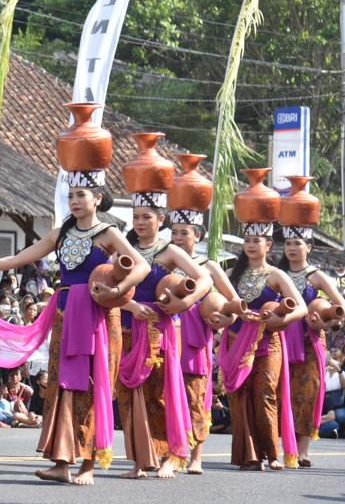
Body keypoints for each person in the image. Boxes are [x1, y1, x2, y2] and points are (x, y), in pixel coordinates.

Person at [0, 103, 150, 486]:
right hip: (64, 313)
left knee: (94, 384)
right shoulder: (61, 233)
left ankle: (89, 464)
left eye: (82, 194)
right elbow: (20, 256)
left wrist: (117, 289)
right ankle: (62, 461)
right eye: (71, 195)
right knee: (61, 385)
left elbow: (140, 266)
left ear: (97, 197)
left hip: (97, 317)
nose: (75, 201)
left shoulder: (108, 233)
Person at [117, 137, 212, 480]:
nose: (140, 222)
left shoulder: (169, 251)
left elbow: (203, 279)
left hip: (160, 329)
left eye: (147, 217)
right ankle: (140, 459)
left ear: (161, 220)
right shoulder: (123, 249)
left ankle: (170, 454)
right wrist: (128, 304)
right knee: (128, 396)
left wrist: (184, 302)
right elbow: (109, 289)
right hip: (126, 326)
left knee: (160, 393)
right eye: (136, 216)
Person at [218, 168, 307, 472]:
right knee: (241, 397)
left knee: (265, 393)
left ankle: (272, 453)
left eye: (257, 240)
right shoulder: (232, 274)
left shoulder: (277, 275)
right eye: (248, 240)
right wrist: (224, 314)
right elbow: (222, 306)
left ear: (269, 245)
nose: (251, 245)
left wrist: (276, 321)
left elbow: (302, 310)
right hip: (235, 343)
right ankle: (250, 454)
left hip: (268, 343)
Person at [168, 153, 242, 474]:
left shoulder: (208, 266)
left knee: (197, 400)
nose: (178, 237)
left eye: (185, 232)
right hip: (169, 341)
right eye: (175, 232)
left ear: (197, 235)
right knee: (169, 400)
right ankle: (171, 451)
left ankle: (196, 457)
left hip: (197, 345)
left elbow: (235, 303)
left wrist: (223, 320)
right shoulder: (164, 262)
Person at [277, 177, 345, 467]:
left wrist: (325, 316)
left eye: (298, 243)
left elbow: (342, 306)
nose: (292, 248)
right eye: (288, 243)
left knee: (306, 396)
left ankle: (302, 451)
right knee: (283, 394)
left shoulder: (316, 275)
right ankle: (286, 449)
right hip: (283, 339)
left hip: (309, 342)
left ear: (308, 246)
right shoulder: (277, 273)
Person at [318, 347, 345, 438]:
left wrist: (338, 369)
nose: (333, 361)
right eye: (332, 359)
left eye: (336, 359)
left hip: (337, 405)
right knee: (333, 423)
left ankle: (338, 430)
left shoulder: (344, 373)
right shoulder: (323, 372)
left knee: (341, 415)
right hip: (324, 404)